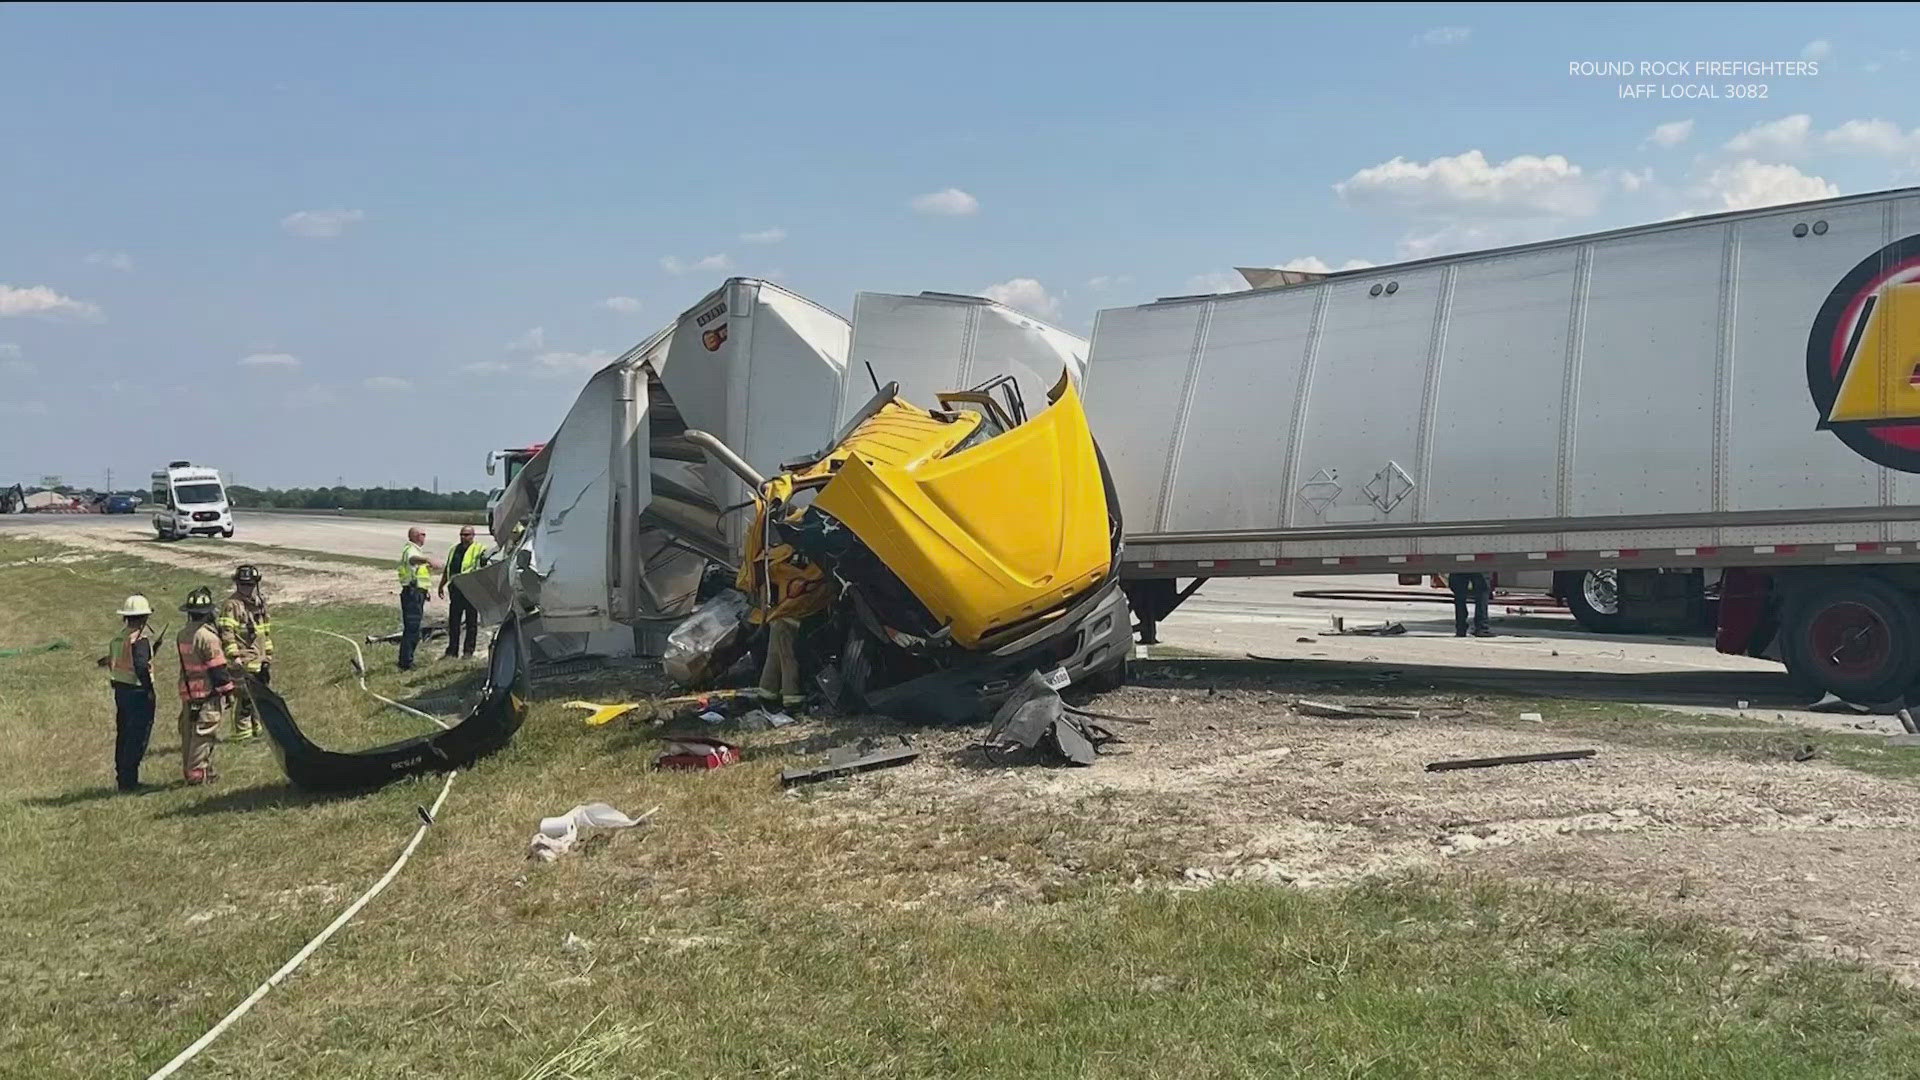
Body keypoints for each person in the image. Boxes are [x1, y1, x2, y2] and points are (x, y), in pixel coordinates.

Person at [98, 594, 158, 792]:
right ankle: (130, 782)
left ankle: (123, 778)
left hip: (121, 691)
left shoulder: (119, 638)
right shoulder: (139, 639)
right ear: (144, 618)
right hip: (138, 692)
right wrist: (149, 687)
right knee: (137, 737)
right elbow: (140, 665)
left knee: (124, 735)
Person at [176, 586, 234, 785]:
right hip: (207, 693)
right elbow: (218, 669)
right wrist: (228, 691)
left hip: (189, 692)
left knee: (189, 732)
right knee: (204, 733)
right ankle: (197, 774)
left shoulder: (183, 634)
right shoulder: (208, 637)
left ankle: (196, 770)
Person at [217, 564, 273, 740]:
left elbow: (265, 632)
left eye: (249, 585)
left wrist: (268, 656)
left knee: (260, 697)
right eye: (242, 585)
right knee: (245, 699)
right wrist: (234, 658)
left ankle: (258, 730)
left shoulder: (259, 605)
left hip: (260, 658)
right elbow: (226, 633)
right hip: (243, 659)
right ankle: (242, 735)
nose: (246, 589)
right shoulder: (232, 605)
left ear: (256, 584)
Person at [437, 525, 487, 659]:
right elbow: (448, 568)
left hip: (471, 590)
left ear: (472, 536)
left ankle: (468, 651)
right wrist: (441, 585)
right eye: (462, 535)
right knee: (454, 622)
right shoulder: (454, 549)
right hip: (456, 590)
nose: (463, 538)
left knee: (471, 622)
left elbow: (484, 569)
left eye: (466, 535)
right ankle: (452, 650)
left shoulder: (479, 549)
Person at [397, 527, 439, 671]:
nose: (424, 537)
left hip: (417, 591)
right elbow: (412, 559)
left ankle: (407, 659)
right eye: (422, 534)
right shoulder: (411, 549)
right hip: (412, 593)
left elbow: (416, 573)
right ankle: (406, 662)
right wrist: (427, 559)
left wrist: (425, 590)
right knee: (412, 628)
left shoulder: (416, 549)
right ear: (415, 536)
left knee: (413, 627)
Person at [1449, 572, 1494, 638]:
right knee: (1482, 590)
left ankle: (1460, 628)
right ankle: (1482, 627)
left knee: (1459, 595)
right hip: (1479, 565)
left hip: (1458, 565)